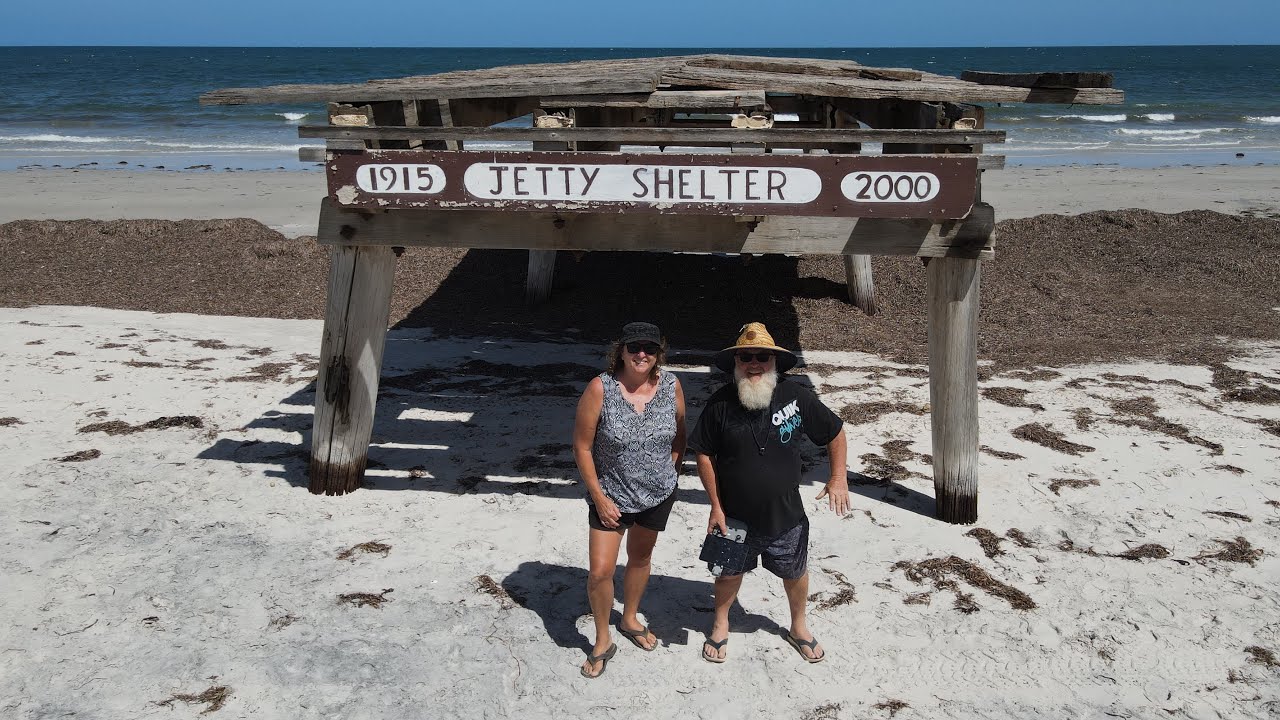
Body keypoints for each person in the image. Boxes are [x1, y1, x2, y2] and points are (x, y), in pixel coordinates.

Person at [688, 322, 849, 664]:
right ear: (736, 362)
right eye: (747, 357)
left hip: (786, 514)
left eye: (762, 356)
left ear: (774, 361)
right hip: (732, 515)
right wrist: (715, 506)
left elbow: (834, 432)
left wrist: (838, 478)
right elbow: (703, 452)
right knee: (728, 574)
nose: (754, 363)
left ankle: (798, 627)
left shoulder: (797, 396)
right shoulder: (720, 403)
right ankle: (720, 624)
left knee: (795, 572)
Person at [572, 321, 687, 678]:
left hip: (658, 493)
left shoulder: (671, 385)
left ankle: (630, 616)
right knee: (600, 571)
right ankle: (603, 639)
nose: (642, 354)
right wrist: (598, 496)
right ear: (620, 350)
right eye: (634, 347)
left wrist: (670, 468)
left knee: (640, 558)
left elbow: (681, 433)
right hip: (611, 496)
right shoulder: (600, 388)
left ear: (658, 354)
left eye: (649, 349)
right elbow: (582, 446)